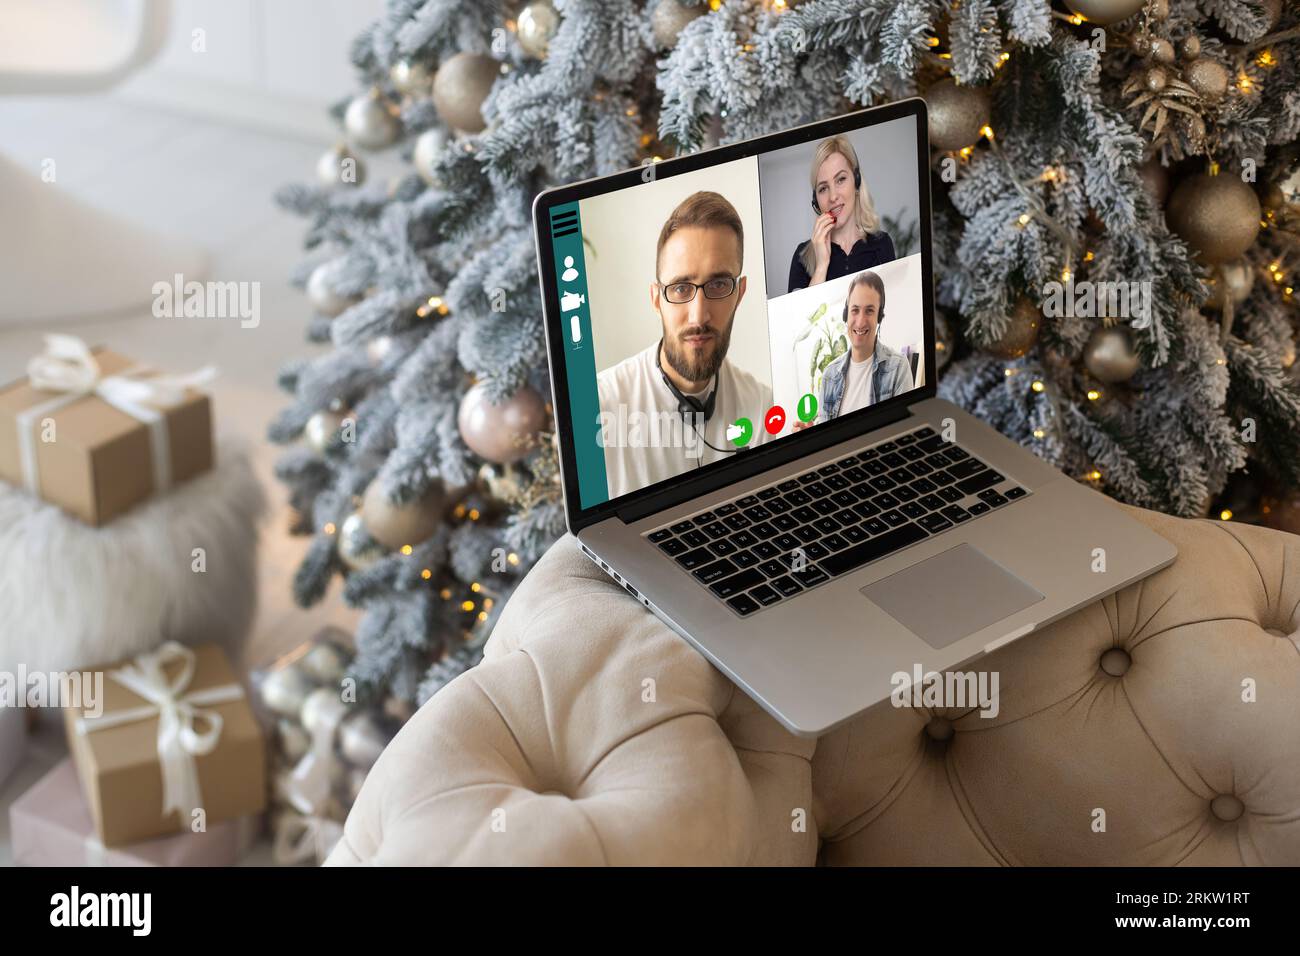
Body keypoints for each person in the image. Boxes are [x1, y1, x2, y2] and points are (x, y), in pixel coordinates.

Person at [597, 191, 772, 499]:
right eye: (680, 288)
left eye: (718, 284)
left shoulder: (764, 408)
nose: (698, 315)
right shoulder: (599, 405)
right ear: (656, 299)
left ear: (739, 293)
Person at [795, 270, 913, 430]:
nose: (860, 321)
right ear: (846, 315)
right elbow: (825, 435)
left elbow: (904, 430)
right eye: (855, 310)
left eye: (869, 311)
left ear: (879, 317)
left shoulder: (898, 367)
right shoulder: (830, 374)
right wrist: (810, 435)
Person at [787, 135, 895, 293]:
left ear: (856, 182)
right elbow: (801, 318)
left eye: (841, 179)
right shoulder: (802, 256)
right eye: (823, 188)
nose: (833, 197)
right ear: (815, 200)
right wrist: (821, 267)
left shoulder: (882, 243)